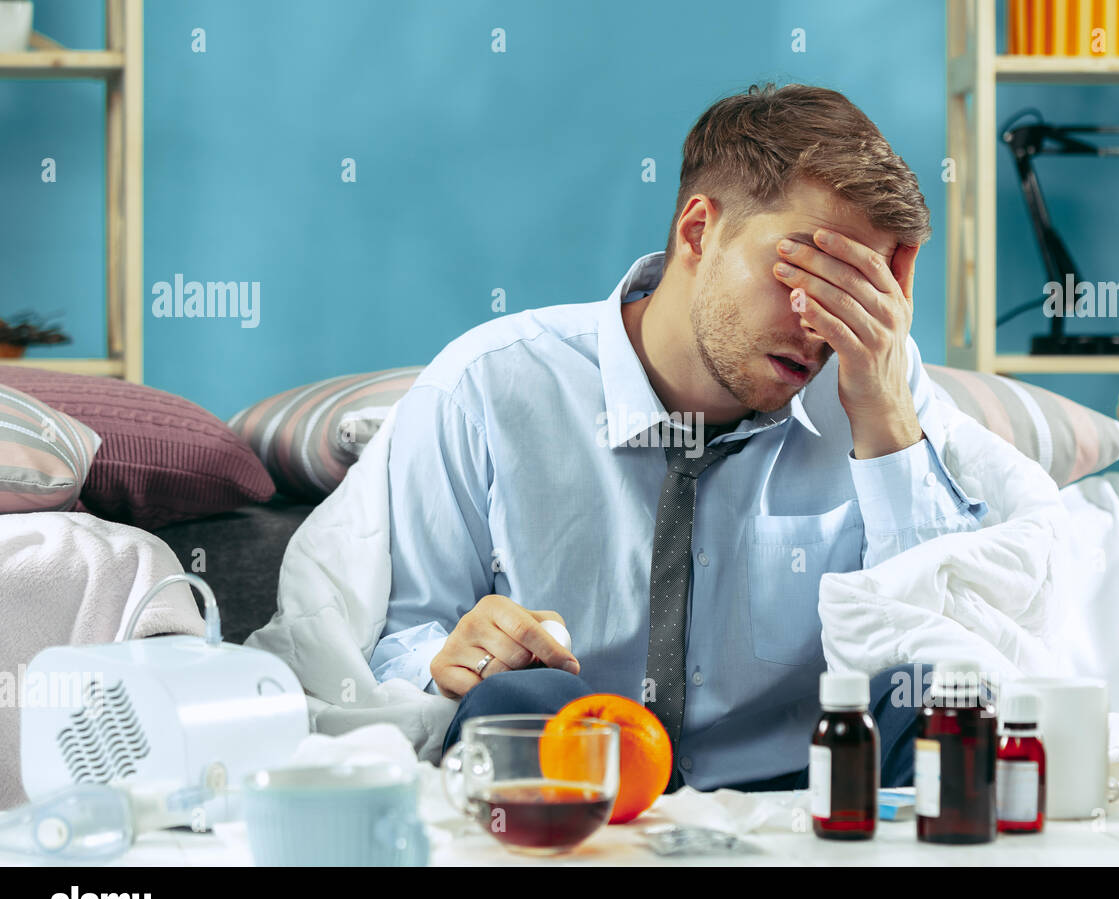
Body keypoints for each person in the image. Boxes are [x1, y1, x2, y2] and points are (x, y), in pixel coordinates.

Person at [368, 82, 995, 792]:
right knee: (521, 703)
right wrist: (454, 659)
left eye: (853, 290)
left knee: (951, 693)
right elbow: (403, 643)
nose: (819, 324)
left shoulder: (872, 378)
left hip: (815, 798)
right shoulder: (486, 386)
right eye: (802, 271)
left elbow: (948, 632)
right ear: (699, 230)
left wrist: (883, 411)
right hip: (587, 788)